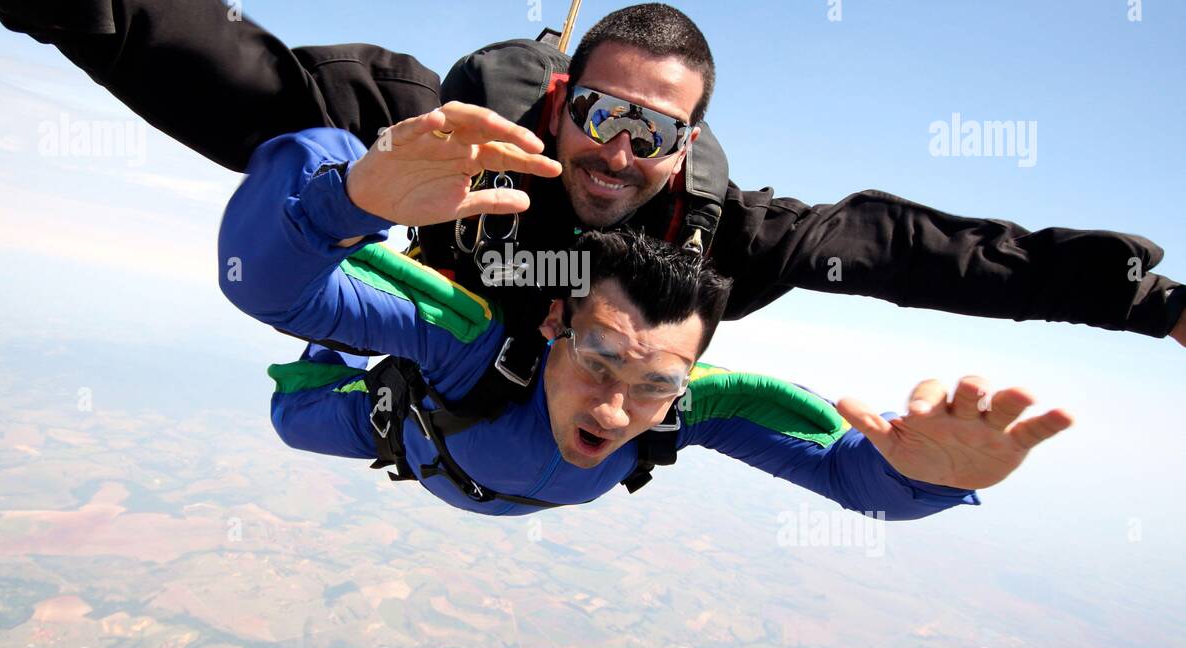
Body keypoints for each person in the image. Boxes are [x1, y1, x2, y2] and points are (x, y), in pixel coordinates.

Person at [0, 0, 1181, 374]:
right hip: (465, 356)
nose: (618, 154)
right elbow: (233, 72)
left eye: (655, 134)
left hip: (590, 392)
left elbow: (920, 253)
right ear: (559, 96)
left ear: (687, 146)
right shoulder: (451, 123)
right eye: (603, 114)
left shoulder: (718, 234)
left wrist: (1144, 302)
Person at [216, 102, 1074, 517]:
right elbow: (261, 281)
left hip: (444, 456)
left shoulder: (693, 409)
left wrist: (928, 481)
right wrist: (349, 193)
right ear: (553, 326)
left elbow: (849, 478)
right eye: (598, 358)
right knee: (291, 412)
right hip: (395, 427)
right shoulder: (466, 344)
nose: (618, 406)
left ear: (690, 374)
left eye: (659, 382)